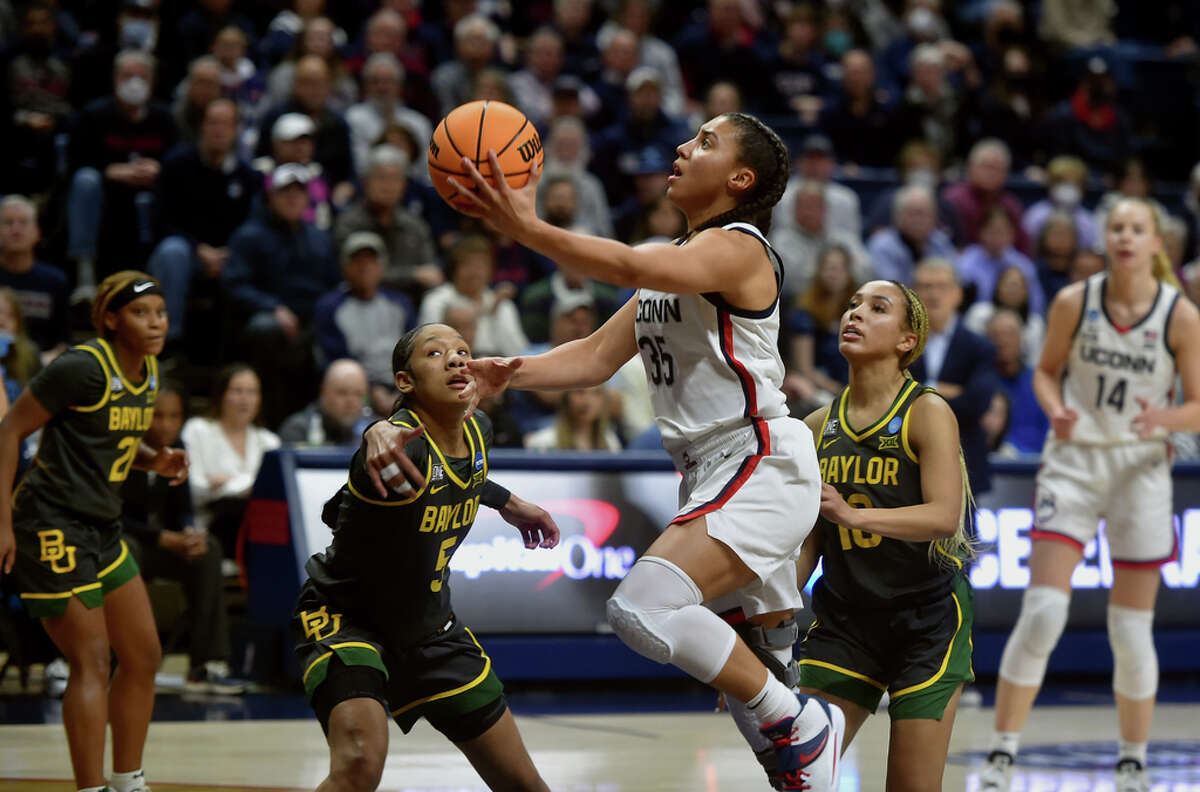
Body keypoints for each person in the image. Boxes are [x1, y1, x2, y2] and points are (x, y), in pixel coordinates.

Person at [370, 112, 846, 790]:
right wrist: (512, 371)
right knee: (761, 667)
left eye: (706, 143)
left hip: (757, 457)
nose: (683, 147)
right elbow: (594, 356)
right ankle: (799, 744)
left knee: (642, 611)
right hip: (713, 468)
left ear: (740, 180)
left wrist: (529, 229)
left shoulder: (738, 246)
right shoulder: (674, 266)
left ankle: (807, 726)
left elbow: (623, 260)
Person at [980, 198, 1200, 792]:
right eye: (1117, 228)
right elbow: (1045, 373)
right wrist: (1057, 412)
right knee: (1045, 611)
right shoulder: (1074, 302)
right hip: (1075, 462)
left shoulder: (1179, 314)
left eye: (1138, 228)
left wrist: (1166, 418)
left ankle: (1133, 756)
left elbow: (1198, 409)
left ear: (1156, 242)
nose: (1126, 236)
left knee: (1131, 628)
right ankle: (1002, 751)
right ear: (1106, 238)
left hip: (1140, 469)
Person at [292, 323, 560, 792]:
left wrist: (507, 502)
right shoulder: (399, 441)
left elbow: (460, 474)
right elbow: (384, 446)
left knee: (526, 786)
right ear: (405, 382)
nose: (455, 359)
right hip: (348, 617)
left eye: (462, 351)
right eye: (435, 354)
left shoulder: (479, 430)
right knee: (358, 764)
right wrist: (374, 431)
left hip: (431, 629)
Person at [0, 271, 188, 792]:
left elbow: (112, 440)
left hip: (102, 527)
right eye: (141, 314)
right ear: (110, 319)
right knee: (91, 658)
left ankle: (128, 780)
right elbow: (10, 429)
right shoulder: (82, 367)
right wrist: (2, 525)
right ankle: (91, 789)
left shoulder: (148, 370)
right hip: (50, 523)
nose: (155, 324)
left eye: (161, 313)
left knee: (145, 654)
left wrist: (157, 459)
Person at [793, 278, 975, 791]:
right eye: (851, 305)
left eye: (877, 308)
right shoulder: (816, 427)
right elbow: (810, 542)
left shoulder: (927, 411)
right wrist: (769, 627)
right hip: (848, 621)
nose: (855, 314)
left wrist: (855, 517)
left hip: (928, 620)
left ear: (906, 341)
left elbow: (944, 516)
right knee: (799, 775)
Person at [119, 382, 244, 694]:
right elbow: (112, 517)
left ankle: (206, 664)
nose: (165, 424)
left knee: (209, 549)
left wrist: (190, 534)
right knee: (126, 549)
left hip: (160, 547)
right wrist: (162, 538)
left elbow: (184, 509)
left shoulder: (177, 450)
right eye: (157, 415)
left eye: (174, 416)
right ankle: (121, 660)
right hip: (126, 545)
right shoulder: (122, 450)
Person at [909, 258, 999, 496]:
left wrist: (920, 393)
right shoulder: (898, 343)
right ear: (913, 294)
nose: (933, 294)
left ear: (958, 294)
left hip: (964, 460)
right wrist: (946, 391)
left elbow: (977, 403)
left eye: (942, 286)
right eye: (926, 286)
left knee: (965, 533)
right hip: (907, 461)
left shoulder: (980, 347)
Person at [181, 364, 281, 561]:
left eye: (251, 392)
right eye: (237, 391)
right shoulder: (198, 430)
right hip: (209, 527)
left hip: (259, 529)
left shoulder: (269, 441)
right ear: (221, 395)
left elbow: (274, 492)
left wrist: (224, 484)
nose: (245, 399)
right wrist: (247, 486)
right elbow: (191, 488)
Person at [278, 358, 372, 446]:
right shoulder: (298, 430)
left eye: (358, 394)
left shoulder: (373, 432)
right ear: (324, 392)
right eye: (342, 393)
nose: (351, 402)